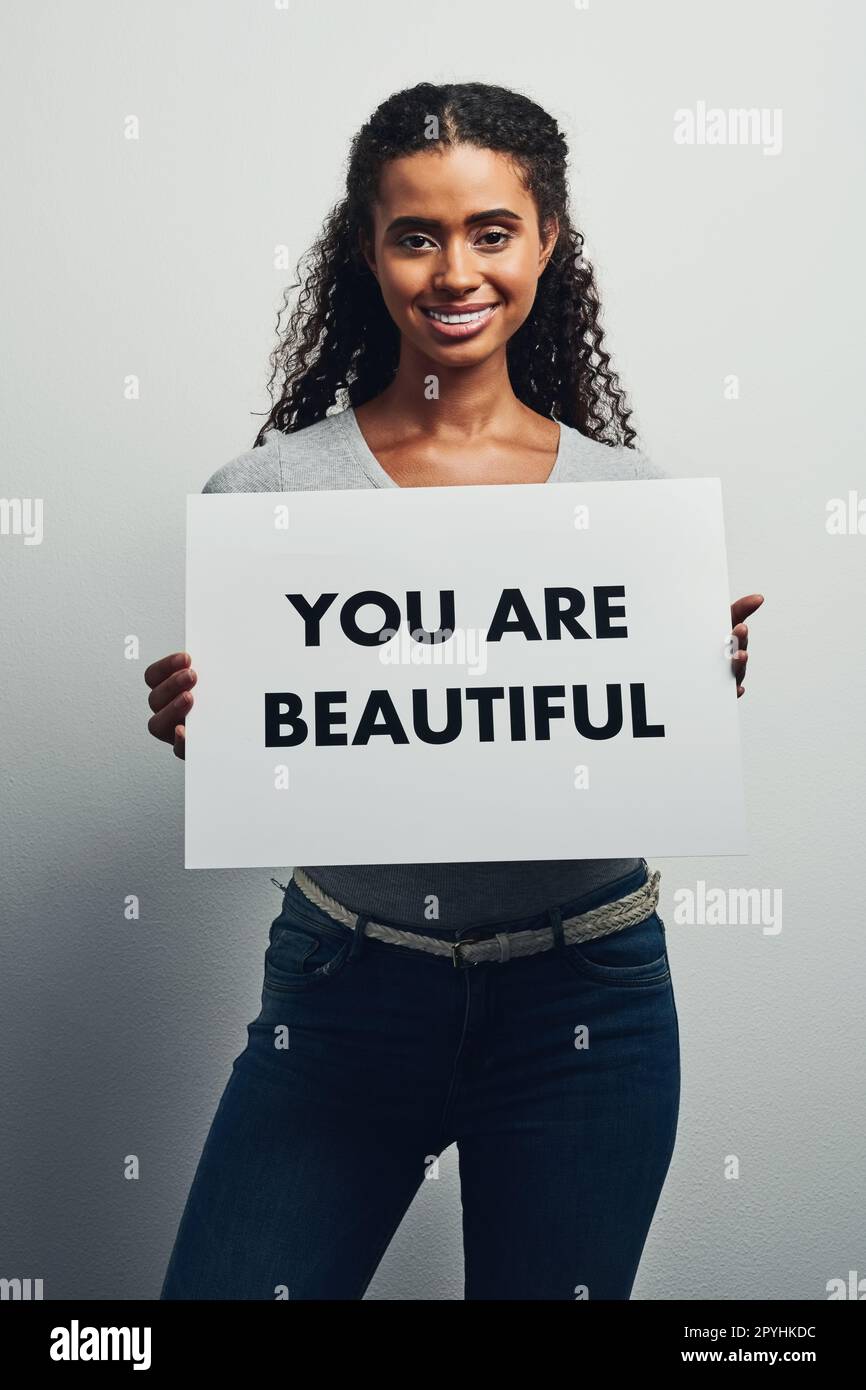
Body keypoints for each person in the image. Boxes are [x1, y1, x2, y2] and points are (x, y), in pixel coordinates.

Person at [145, 81, 762, 1300]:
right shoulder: (264, 501)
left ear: (546, 242)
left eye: (489, 230)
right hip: (343, 994)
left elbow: (602, 739)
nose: (453, 269)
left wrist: (682, 690)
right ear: (367, 251)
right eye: (415, 234)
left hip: (583, 1000)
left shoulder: (634, 512)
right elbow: (289, 744)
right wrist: (206, 730)